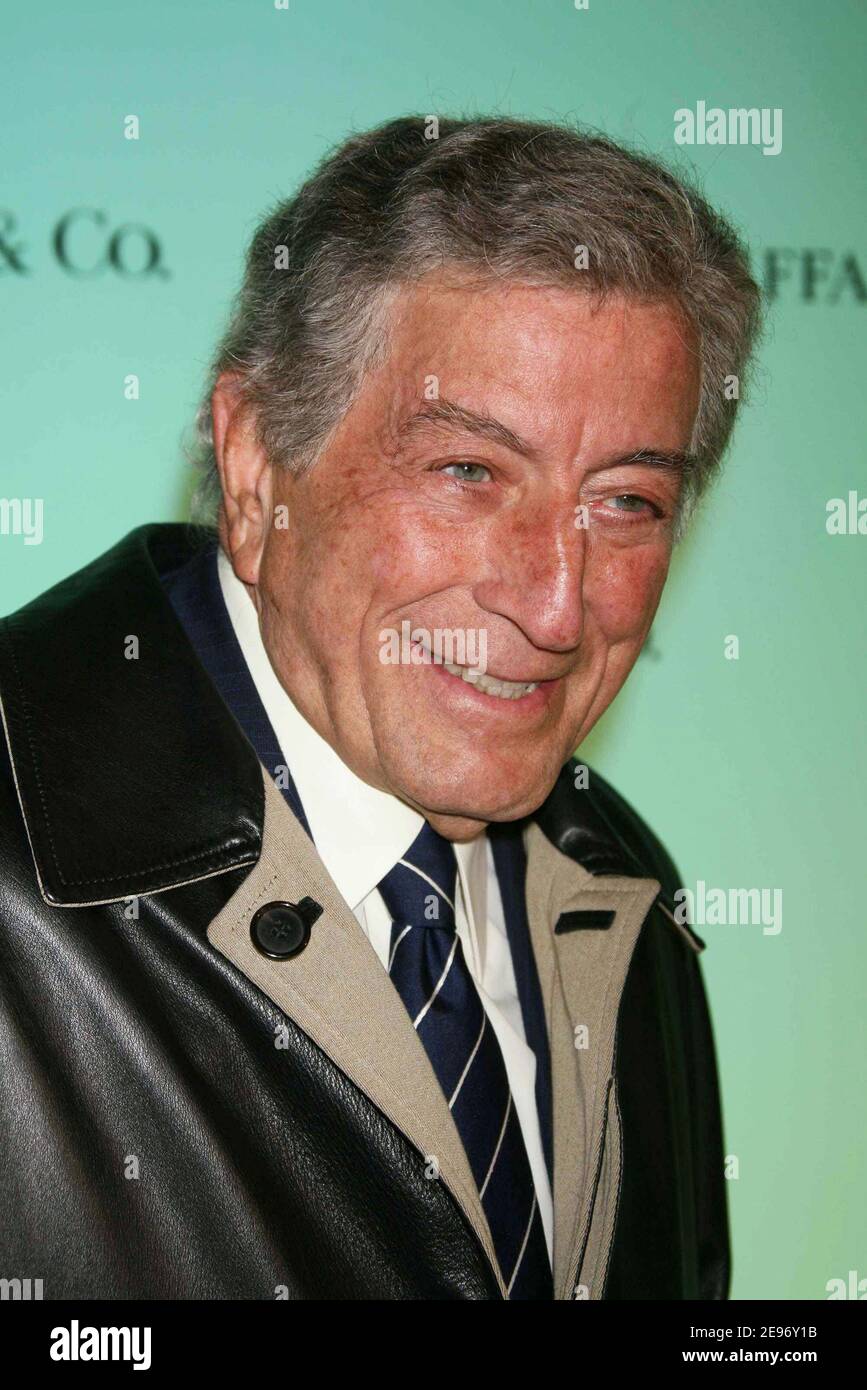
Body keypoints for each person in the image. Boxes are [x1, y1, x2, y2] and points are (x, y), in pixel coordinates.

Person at [0, 115, 761, 1299]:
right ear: (254, 465)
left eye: (626, 502)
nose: (559, 605)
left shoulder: (625, 898)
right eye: (470, 473)